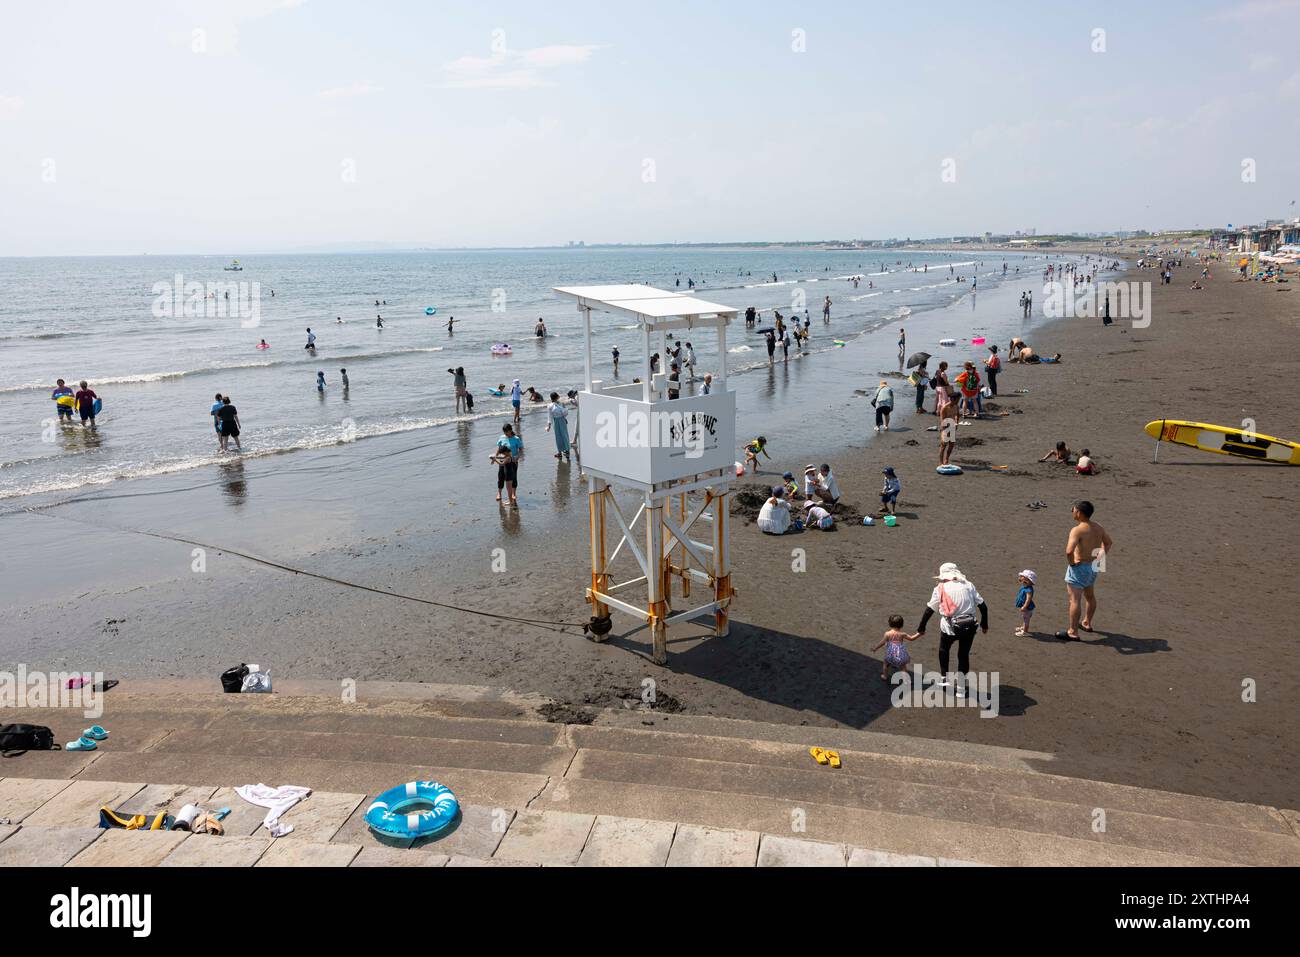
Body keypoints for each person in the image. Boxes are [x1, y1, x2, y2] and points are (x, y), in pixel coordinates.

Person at [915, 563, 988, 694]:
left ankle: (945, 680)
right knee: (963, 655)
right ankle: (961, 689)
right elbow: (983, 606)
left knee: (944, 649)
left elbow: (930, 609)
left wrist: (921, 627)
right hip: (969, 626)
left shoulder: (940, 588)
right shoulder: (968, 585)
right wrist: (984, 624)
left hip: (950, 627)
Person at [1062, 500, 1112, 640]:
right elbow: (1108, 543)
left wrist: (1072, 564)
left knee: (1074, 600)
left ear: (1079, 513)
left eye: (1073, 509)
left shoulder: (1077, 530)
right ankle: (1087, 623)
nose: (1072, 511)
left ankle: (1073, 631)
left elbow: (1068, 551)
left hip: (1080, 566)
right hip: (1094, 565)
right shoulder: (1098, 527)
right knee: (1090, 596)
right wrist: (1099, 558)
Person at [873, 614, 919, 682]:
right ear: (901, 625)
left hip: (890, 654)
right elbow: (912, 638)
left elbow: (882, 642)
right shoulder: (902, 634)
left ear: (890, 624)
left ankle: (885, 676)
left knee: (885, 664)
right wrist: (919, 634)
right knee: (903, 667)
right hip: (900, 654)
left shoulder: (887, 634)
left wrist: (875, 648)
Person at [492, 423, 523, 506]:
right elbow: (499, 449)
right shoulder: (502, 438)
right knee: (501, 476)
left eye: (507, 432)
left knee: (513, 477)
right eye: (504, 432)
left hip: (513, 460)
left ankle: (513, 493)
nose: (506, 433)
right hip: (503, 459)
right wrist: (495, 457)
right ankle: (499, 493)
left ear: (510, 430)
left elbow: (521, 449)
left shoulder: (516, 439)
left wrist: (518, 457)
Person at [545, 392, 571, 462]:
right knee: (558, 437)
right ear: (556, 397)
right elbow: (550, 416)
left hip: (560, 421)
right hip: (557, 421)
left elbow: (565, 414)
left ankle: (566, 451)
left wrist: (549, 426)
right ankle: (561, 452)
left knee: (564, 436)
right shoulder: (550, 406)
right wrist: (549, 426)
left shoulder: (560, 404)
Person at [938, 389, 959, 467]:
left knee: (951, 444)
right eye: (957, 399)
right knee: (943, 445)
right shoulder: (945, 408)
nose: (958, 401)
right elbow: (943, 420)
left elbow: (957, 415)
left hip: (952, 426)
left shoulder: (956, 406)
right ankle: (940, 462)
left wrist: (956, 422)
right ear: (953, 399)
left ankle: (946, 459)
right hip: (946, 427)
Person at [1014, 569, 1036, 637]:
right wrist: (1021, 579)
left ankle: (1025, 632)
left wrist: (1024, 607)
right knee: (1024, 618)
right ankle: (1023, 627)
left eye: (1022, 577)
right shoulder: (1025, 585)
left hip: (1027, 607)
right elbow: (1020, 579)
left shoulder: (1028, 589)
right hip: (1025, 607)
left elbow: (1028, 599)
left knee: (1026, 620)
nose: (1020, 578)